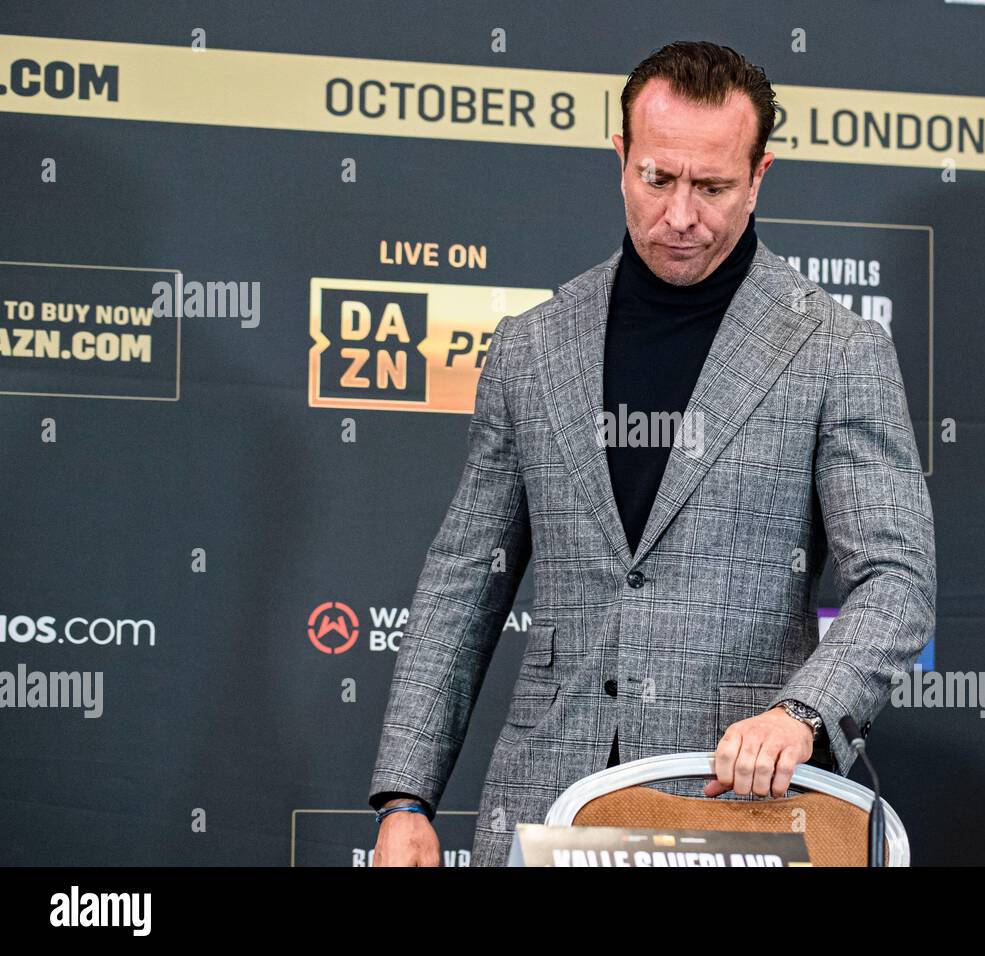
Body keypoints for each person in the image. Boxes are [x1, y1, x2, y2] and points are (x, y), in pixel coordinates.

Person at [368, 40, 936, 867]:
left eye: (711, 187)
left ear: (760, 177)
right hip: (547, 802)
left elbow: (896, 580)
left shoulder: (836, 350)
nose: (681, 216)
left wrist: (802, 714)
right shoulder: (532, 346)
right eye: (657, 179)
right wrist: (405, 797)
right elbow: (465, 578)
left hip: (740, 808)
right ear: (619, 159)